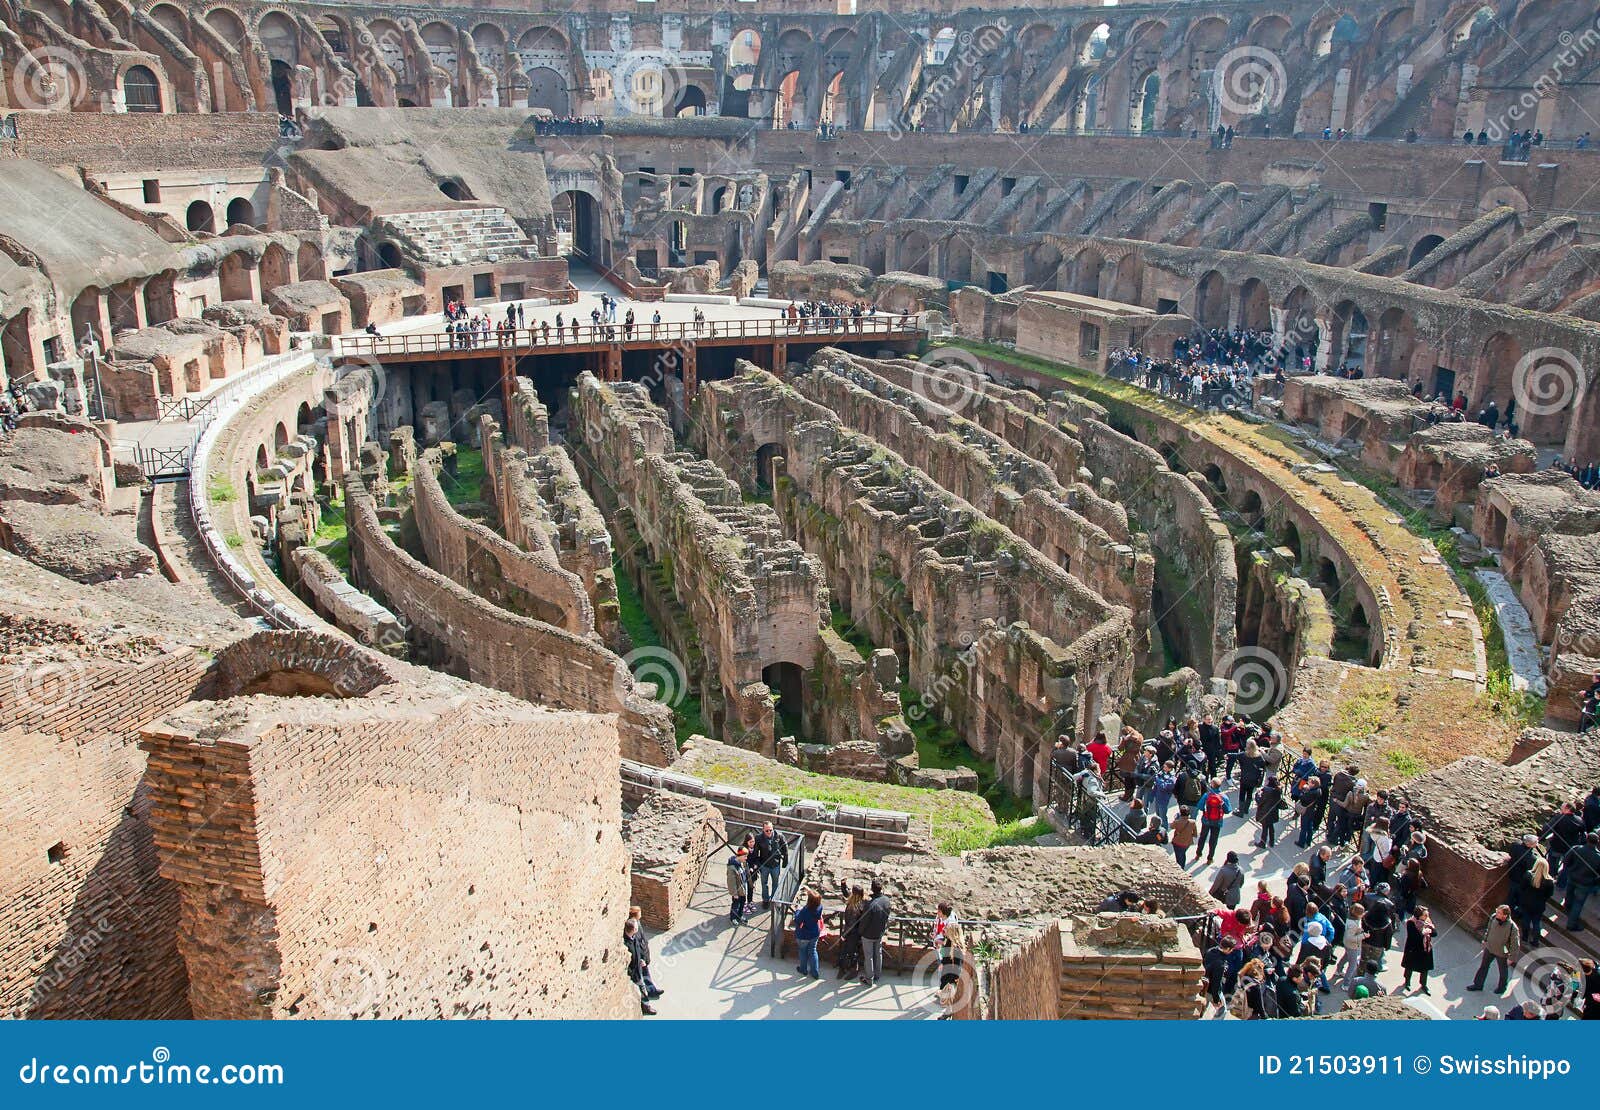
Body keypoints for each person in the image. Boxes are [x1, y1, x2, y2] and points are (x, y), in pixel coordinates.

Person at [1467, 903, 1520, 994]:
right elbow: (1489, 929)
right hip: (1490, 948)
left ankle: (1502, 988)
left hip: (1502, 952)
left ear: (1505, 915)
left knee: (1502, 971)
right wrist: (1485, 939)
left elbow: (1515, 945)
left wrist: (1511, 958)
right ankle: (1478, 985)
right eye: (1497, 911)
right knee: (1483, 966)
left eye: (1499, 913)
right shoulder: (1493, 917)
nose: (1497, 913)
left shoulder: (1512, 927)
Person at [857, 880, 892, 986]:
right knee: (878, 953)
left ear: (872, 889)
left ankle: (869, 979)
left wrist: (860, 932)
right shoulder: (886, 900)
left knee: (869, 956)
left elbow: (864, 921)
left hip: (868, 934)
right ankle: (877, 974)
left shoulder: (870, 904)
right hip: (879, 932)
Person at [623, 918, 656, 1014]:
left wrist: (642, 959)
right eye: (636, 927)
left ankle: (646, 1000)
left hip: (639, 968)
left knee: (643, 987)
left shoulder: (633, 938)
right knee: (642, 990)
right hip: (635, 973)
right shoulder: (626, 944)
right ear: (633, 929)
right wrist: (632, 973)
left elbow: (638, 950)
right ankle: (646, 1007)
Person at [1400, 905, 1435, 994]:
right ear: (1419, 915)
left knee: (1425, 968)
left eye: (1427, 915)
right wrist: (1425, 932)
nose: (1427, 917)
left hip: (1425, 948)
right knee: (1410, 966)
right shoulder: (1411, 923)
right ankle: (1407, 982)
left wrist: (1429, 930)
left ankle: (1423, 984)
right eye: (1425, 915)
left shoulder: (1427, 921)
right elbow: (1414, 937)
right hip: (1413, 949)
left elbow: (1435, 933)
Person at [934, 923, 967, 1019]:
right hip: (946, 972)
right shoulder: (948, 941)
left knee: (948, 996)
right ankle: (947, 1012)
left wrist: (953, 980)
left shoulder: (956, 948)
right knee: (947, 996)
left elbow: (957, 966)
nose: (944, 931)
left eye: (947, 930)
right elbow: (945, 955)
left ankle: (947, 1013)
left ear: (952, 932)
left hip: (951, 975)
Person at [753, 821, 788, 909]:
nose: (769, 832)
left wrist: (785, 861)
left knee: (775, 883)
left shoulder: (779, 836)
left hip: (775, 864)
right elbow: (755, 852)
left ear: (773, 829)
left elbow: (785, 848)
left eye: (770, 830)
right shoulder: (758, 838)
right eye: (767, 831)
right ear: (763, 830)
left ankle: (773, 900)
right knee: (764, 883)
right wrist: (757, 864)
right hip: (764, 865)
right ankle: (765, 900)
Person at [1196, 779, 1232, 864]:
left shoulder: (1207, 795)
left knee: (1202, 837)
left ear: (1212, 785)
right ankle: (1210, 858)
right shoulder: (1223, 797)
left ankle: (1198, 854)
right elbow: (1228, 810)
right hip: (1217, 821)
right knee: (1213, 840)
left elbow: (1200, 806)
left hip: (1206, 820)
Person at [792, 888, 824, 979]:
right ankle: (815, 972)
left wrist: (797, 911)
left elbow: (798, 920)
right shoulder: (820, 907)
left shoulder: (804, 911)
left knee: (803, 952)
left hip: (803, 935)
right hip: (814, 933)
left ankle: (803, 969)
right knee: (813, 951)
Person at [836, 884, 865, 979]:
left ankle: (854, 970)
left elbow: (851, 924)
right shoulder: (858, 901)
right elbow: (847, 893)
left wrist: (844, 935)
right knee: (846, 950)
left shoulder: (857, 906)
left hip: (853, 932)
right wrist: (843, 885)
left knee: (852, 952)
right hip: (853, 931)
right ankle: (843, 967)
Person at [1254, 774, 1284, 848]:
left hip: (1265, 811)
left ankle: (1262, 843)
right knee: (1271, 826)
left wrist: (1257, 794)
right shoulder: (1278, 790)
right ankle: (1272, 841)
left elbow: (1260, 801)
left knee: (1265, 828)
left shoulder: (1267, 790)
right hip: (1273, 812)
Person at [726, 847, 749, 923]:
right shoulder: (732, 868)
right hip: (737, 891)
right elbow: (731, 882)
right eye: (745, 856)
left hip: (742, 890)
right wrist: (734, 893)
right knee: (736, 905)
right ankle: (733, 918)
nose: (746, 858)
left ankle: (740, 915)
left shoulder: (741, 863)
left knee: (742, 904)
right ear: (740, 856)